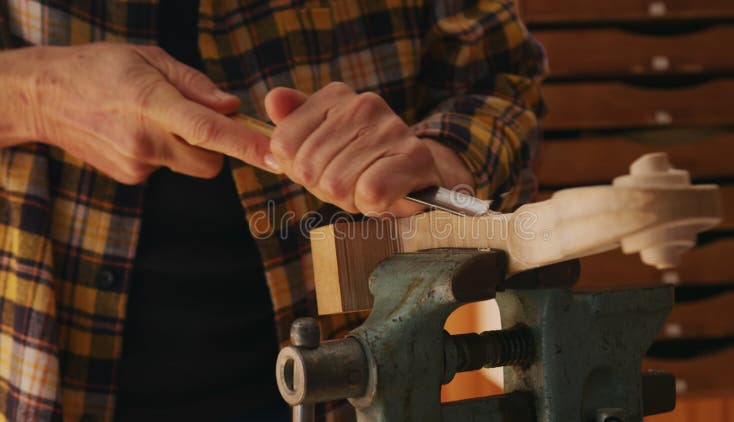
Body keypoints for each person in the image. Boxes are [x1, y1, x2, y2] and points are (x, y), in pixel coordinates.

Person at [0, 0, 546, 420]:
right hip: (38, 369)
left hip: (361, 368)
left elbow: (500, 80)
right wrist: (36, 96)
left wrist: (437, 162)